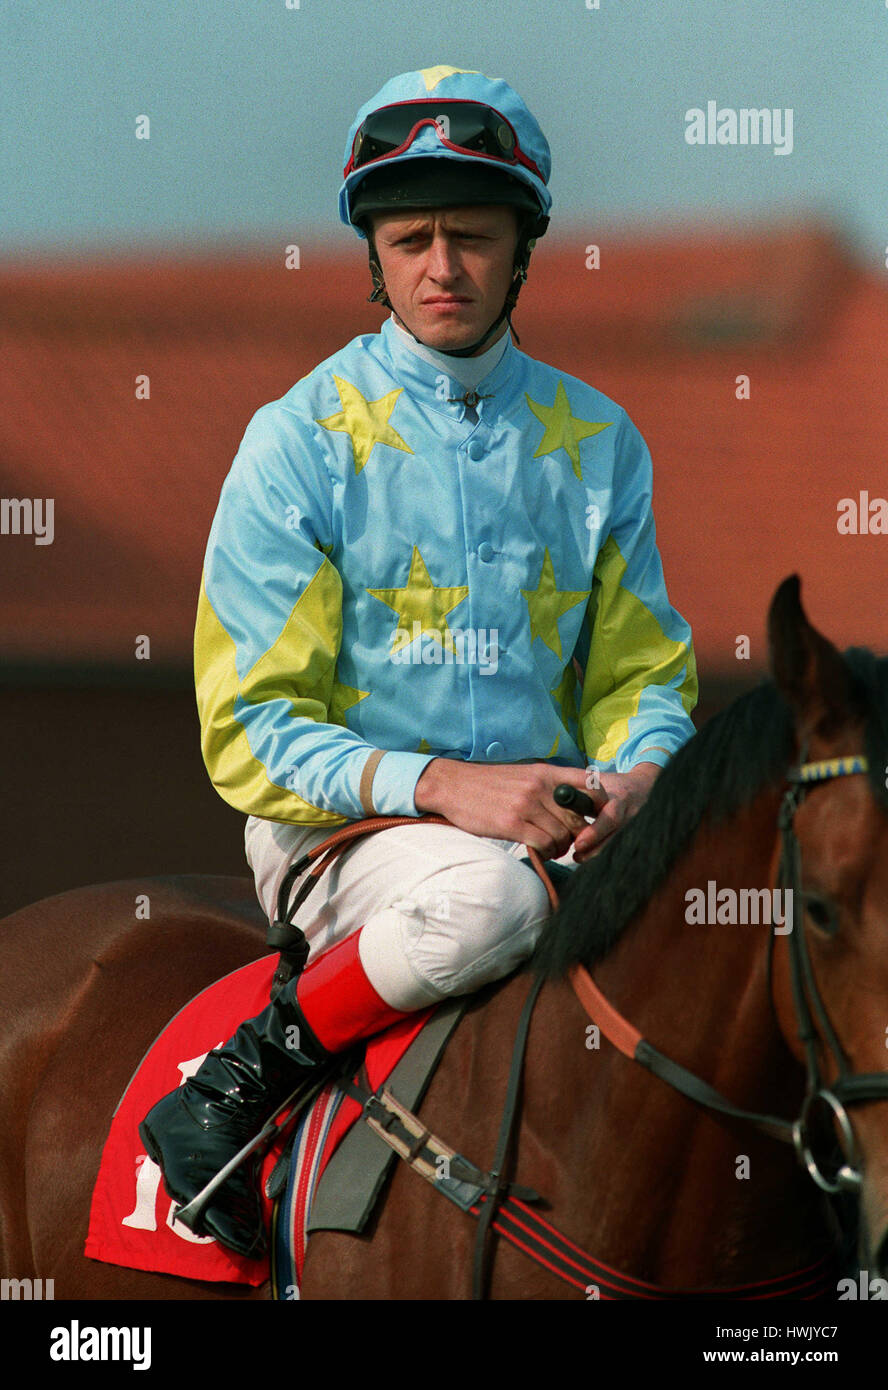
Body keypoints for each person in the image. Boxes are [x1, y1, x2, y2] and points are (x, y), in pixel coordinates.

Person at [140, 65, 698, 1258]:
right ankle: (235, 1090)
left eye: (474, 236)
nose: (442, 267)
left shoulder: (600, 443)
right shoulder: (296, 442)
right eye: (412, 239)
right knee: (486, 896)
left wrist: (646, 777)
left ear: (523, 249)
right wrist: (444, 785)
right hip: (338, 837)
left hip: (558, 829)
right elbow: (250, 729)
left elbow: (643, 677)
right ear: (375, 257)